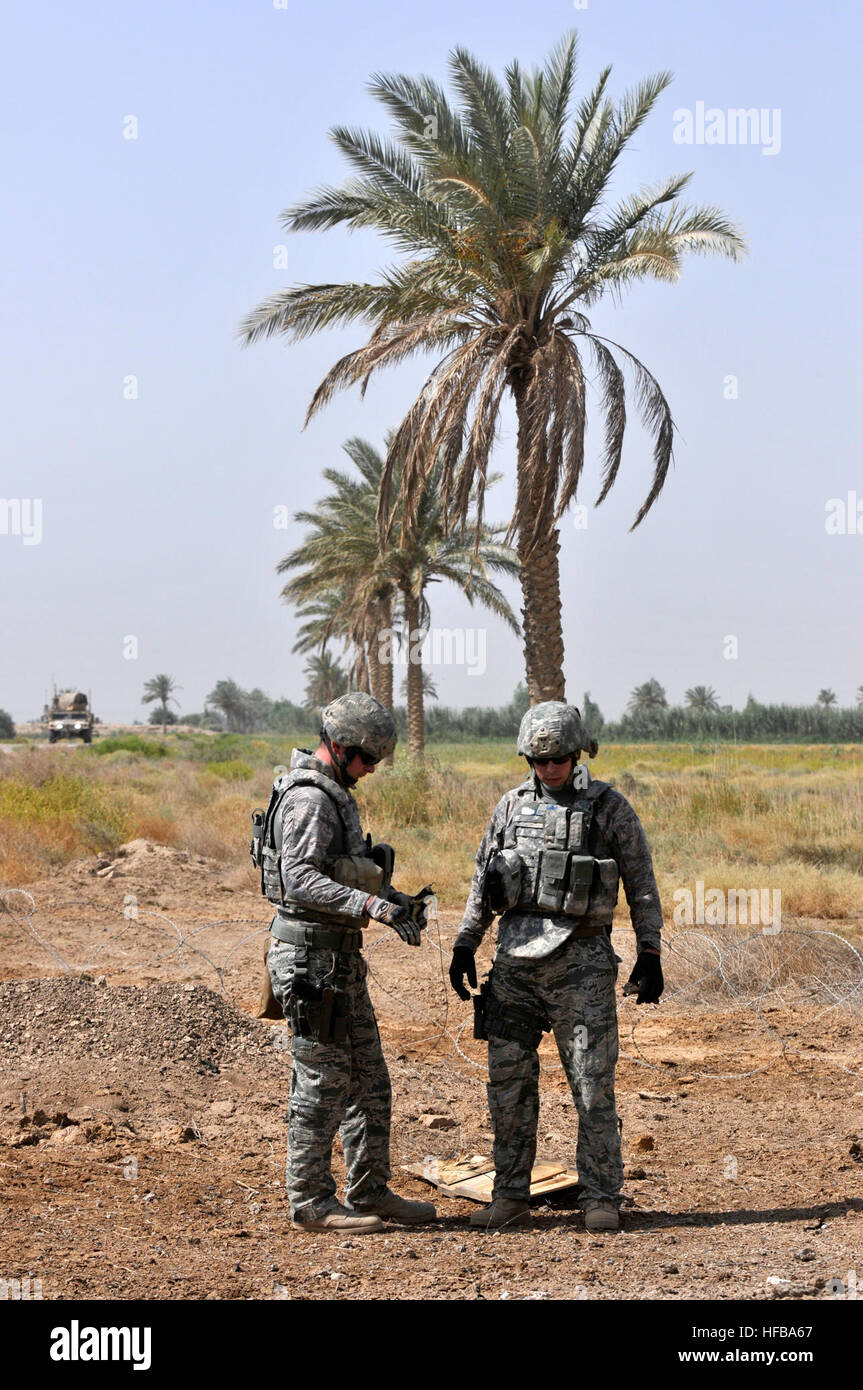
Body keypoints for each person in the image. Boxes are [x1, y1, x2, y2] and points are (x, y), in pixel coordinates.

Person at [448, 701, 663, 1233]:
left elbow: (640, 884)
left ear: (578, 753)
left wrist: (650, 952)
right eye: (539, 761)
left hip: (582, 967)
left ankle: (601, 1197)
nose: (549, 770)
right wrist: (464, 943)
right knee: (508, 1086)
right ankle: (510, 1196)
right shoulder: (508, 807)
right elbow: (483, 880)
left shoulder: (609, 808)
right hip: (513, 968)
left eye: (559, 759)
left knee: (591, 1086)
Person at [259, 691, 437, 1234]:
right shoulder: (310, 800)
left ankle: (369, 1189)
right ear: (337, 746)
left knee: (368, 1080)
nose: (370, 769)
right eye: (365, 759)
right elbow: (301, 879)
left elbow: (343, 870)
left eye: (377, 762)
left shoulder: (333, 791)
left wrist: (395, 898)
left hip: (337, 959)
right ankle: (310, 1201)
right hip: (311, 961)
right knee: (321, 1083)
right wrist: (372, 906)